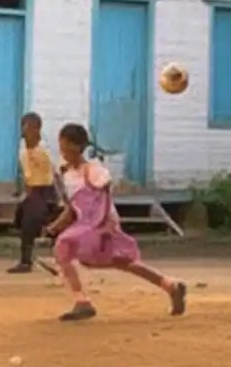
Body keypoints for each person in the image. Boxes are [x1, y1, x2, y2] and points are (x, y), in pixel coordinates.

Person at [47, 122, 187, 322]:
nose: (62, 150)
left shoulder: (93, 170)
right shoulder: (67, 175)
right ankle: (170, 285)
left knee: (64, 247)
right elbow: (72, 209)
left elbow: (103, 193)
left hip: (102, 225)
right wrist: (54, 228)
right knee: (123, 262)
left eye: (65, 145)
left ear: (77, 147)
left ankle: (82, 301)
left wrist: (102, 224)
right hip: (88, 226)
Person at [8, 112, 60, 274]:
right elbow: (26, 175)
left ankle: (29, 261)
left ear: (37, 129)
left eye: (27, 128)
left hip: (46, 190)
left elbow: (55, 173)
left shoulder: (44, 150)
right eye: (23, 127)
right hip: (33, 191)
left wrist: (59, 196)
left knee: (33, 222)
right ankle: (27, 259)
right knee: (23, 222)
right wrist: (24, 193)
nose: (24, 132)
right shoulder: (23, 151)